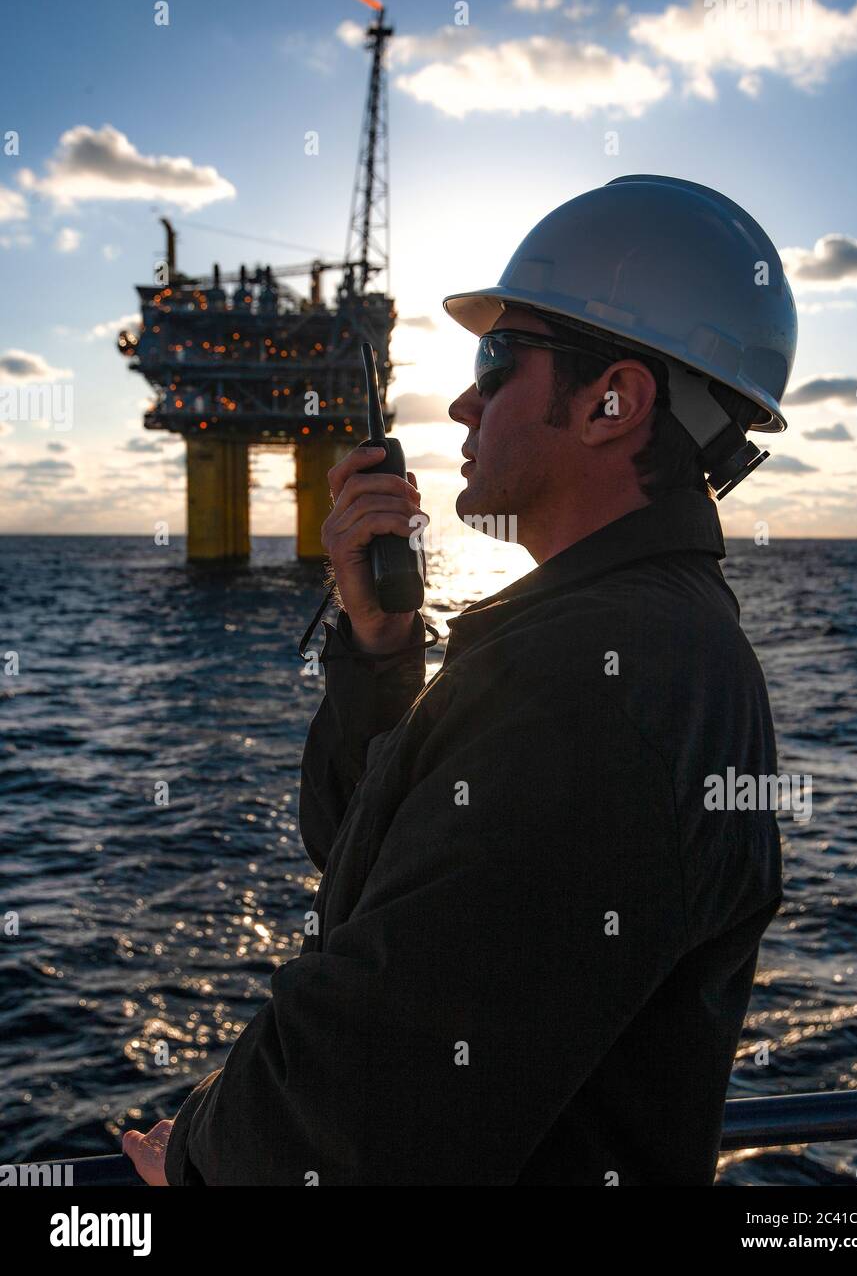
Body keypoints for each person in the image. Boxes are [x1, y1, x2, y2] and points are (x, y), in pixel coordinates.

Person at [124, 174, 797, 1186]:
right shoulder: (633, 642)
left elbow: (368, 1090)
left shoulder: (597, 685)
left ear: (614, 402)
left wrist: (193, 1163)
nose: (462, 400)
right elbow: (377, 856)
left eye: (496, 359)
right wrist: (381, 645)